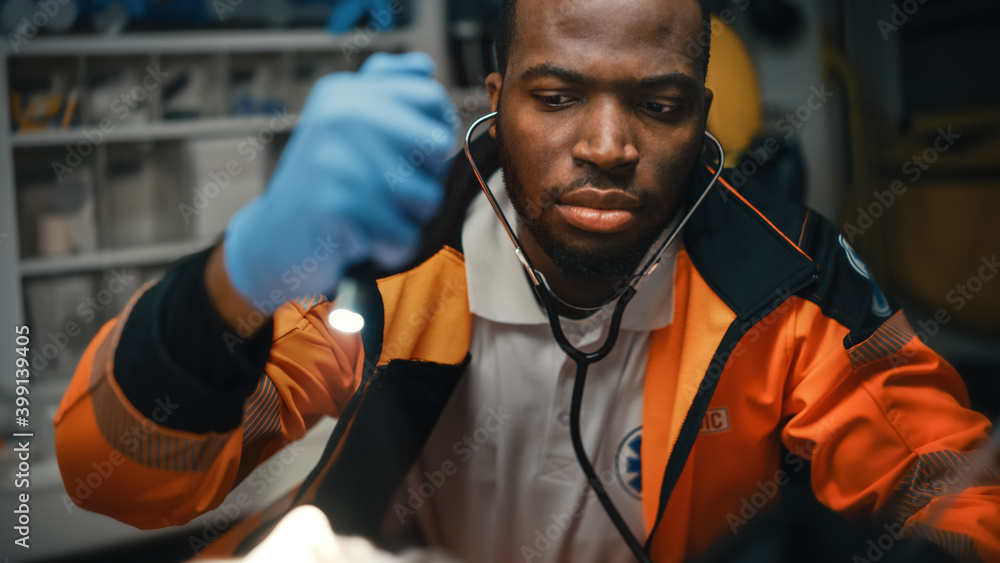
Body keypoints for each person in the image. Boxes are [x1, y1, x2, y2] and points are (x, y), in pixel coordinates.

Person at [54, 0, 1000, 561]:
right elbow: (116, 475)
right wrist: (240, 273)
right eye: (555, 98)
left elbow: (956, 488)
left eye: (658, 106)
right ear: (496, 96)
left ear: (703, 118)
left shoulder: (792, 282)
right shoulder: (393, 260)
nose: (606, 147)